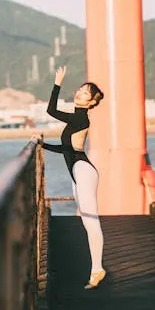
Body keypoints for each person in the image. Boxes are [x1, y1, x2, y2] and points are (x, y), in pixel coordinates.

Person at [33, 66, 106, 289]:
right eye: (81, 90)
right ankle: (96, 269)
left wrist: (57, 84)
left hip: (83, 171)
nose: (79, 93)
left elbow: (51, 112)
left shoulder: (80, 119)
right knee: (87, 221)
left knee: (92, 221)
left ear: (91, 103)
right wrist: (42, 145)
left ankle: (97, 269)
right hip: (77, 171)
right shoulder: (76, 119)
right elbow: (67, 149)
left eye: (86, 93)